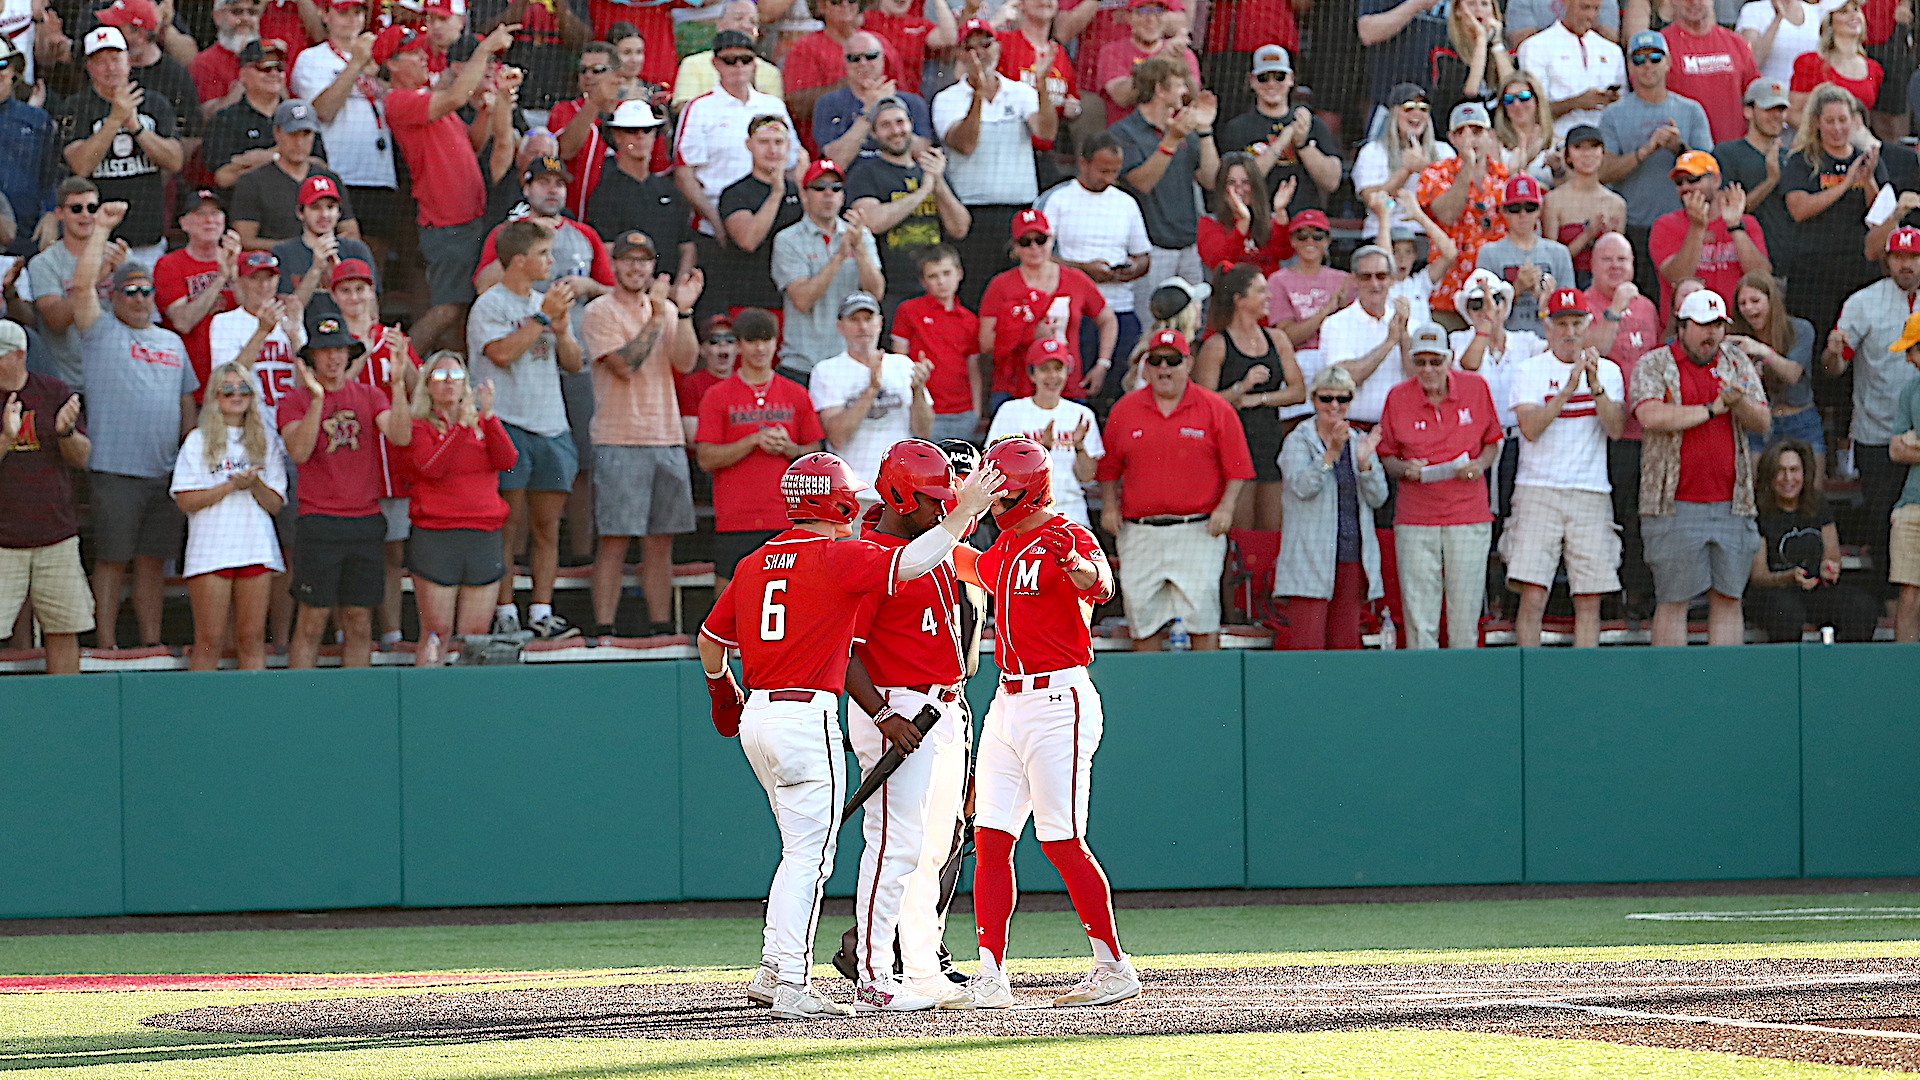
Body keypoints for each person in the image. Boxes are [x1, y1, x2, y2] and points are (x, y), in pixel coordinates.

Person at [699, 451, 1001, 1020]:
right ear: (837, 502)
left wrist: (723, 692)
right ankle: (808, 980)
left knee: (801, 851)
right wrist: (965, 513)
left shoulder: (754, 560)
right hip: (807, 713)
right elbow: (910, 562)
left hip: (758, 711)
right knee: (812, 858)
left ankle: (776, 968)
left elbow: (710, 640)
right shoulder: (839, 555)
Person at [958, 434, 1136, 1008]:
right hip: (1007, 700)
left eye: (998, 490)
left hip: (1060, 698)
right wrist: (928, 532)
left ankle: (1113, 967)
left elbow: (1099, 584)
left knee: (1061, 839)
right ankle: (990, 975)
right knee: (990, 838)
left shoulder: (1067, 533)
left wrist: (1076, 566)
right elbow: (968, 565)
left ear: (1024, 491)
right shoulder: (1006, 544)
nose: (992, 499)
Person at [836, 440, 975, 1013]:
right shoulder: (871, 555)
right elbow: (844, 651)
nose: (942, 508)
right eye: (932, 498)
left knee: (932, 847)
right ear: (898, 497)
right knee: (894, 844)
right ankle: (874, 972)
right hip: (896, 707)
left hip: (939, 706)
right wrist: (882, 714)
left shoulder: (926, 544)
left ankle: (921, 968)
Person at [72, 202, 196, 651]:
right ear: (114, 296)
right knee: (111, 561)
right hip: (114, 472)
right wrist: (101, 229)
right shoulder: (100, 332)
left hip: (163, 473)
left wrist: (187, 458)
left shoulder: (172, 342)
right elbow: (81, 286)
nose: (141, 298)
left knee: (151, 563)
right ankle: (106, 645)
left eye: (146, 291)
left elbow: (187, 403)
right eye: (131, 292)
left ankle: (150, 643)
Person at [1631, 288, 1773, 646]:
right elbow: (1650, 415)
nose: (1712, 334)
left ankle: (1723, 677)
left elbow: (1762, 421)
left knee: (1728, 598)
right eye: (1703, 325)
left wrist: (1738, 404)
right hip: (1673, 502)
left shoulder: (1736, 361)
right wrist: (1711, 409)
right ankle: (1673, 678)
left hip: (1732, 502)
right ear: (1681, 326)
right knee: (1673, 600)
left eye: (1718, 325)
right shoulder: (1654, 363)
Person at [1097, 328, 1253, 650]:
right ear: (1146, 366)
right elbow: (1108, 468)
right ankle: (1152, 682)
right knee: (1142, 619)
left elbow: (1238, 468)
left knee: (1202, 615)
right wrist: (1110, 506)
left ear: (1189, 363)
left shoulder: (1215, 407)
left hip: (1197, 529)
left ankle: (1204, 681)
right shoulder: (1125, 409)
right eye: (1156, 361)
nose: (1164, 368)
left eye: (1173, 360)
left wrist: (1225, 508)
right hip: (1140, 531)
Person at [580, 232, 702, 641]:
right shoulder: (599, 311)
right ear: (614, 265)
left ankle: (660, 629)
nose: (635, 267)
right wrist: (657, 315)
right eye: (628, 259)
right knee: (614, 541)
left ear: (653, 266)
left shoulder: (666, 309)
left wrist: (683, 313)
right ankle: (604, 630)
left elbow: (686, 361)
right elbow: (625, 364)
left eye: (643, 260)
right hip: (618, 438)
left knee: (660, 543)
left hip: (666, 437)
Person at [467, 219, 584, 640]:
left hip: (552, 427)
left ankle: (541, 611)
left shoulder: (545, 303)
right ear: (519, 260)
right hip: (508, 424)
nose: (551, 262)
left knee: (547, 527)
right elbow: (501, 354)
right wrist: (542, 317)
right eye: (543, 254)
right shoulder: (490, 305)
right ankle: (504, 612)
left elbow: (574, 363)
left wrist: (562, 330)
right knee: (508, 526)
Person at [279, 311, 414, 668]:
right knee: (311, 622)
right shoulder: (295, 400)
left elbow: (401, 435)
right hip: (319, 520)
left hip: (365, 520)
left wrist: (397, 383)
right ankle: (299, 698)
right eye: (325, 351)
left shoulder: (369, 395)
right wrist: (318, 400)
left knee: (359, 622)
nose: (334, 357)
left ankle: (358, 698)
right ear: (312, 357)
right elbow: (299, 452)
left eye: (339, 349)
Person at [384, 20, 517, 354]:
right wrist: (484, 49)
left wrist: (486, 113)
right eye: (412, 53)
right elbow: (458, 96)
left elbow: (471, 145)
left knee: (461, 311)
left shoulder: (428, 101)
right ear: (392, 64)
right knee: (448, 308)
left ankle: (450, 373)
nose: (422, 57)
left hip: (467, 217)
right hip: (447, 220)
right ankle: (398, 364)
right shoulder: (398, 100)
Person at [1504, 288, 1626, 647]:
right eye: (1562, 324)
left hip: (1590, 491)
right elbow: (1530, 428)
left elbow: (1616, 429)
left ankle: (1585, 674)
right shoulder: (1529, 370)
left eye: (1576, 323)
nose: (1570, 332)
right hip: (1537, 490)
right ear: (1548, 327)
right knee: (1533, 594)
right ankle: (1529, 675)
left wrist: (1595, 386)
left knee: (1589, 598)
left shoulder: (1609, 371)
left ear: (1588, 324)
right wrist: (1568, 388)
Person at [1374, 323, 1504, 648]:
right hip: (1416, 518)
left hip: (1468, 515)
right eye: (1420, 362)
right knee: (1420, 622)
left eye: (1436, 361)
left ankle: (1463, 681)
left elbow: (1493, 441)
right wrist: (1406, 469)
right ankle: (1424, 681)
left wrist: (1480, 465)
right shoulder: (1398, 396)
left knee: (1465, 618)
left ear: (1450, 358)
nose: (1428, 369)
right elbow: (1386, 455)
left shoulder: (1476, 387)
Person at [693, 306, 824, 593]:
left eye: (766, 340)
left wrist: (789, 448)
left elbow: (816, 453)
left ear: (776, 343)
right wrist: (752, 441)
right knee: (729, 600)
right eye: (752, 341)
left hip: (786, 517)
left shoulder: (796, 393)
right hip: (735, 519)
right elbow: (705, 458)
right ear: (739, 345)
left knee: (790, 598)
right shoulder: (717, 396)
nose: (760, 348)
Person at [171, 360, 288, 672]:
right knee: (209, 640)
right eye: (228, 390)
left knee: (251, 638)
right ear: (215, 396)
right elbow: (184, 500)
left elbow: (275, 503)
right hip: (211, 549)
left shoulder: (265, 440)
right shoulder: (197, 440)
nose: (237, 395)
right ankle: (203, 703)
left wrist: (254, 484)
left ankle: (254, 701)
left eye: (244, 389)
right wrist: (229, 486)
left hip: (256, 546)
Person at [932, 20, 1055, 311]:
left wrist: (1042, 86)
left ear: (998, 48)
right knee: (976, 301)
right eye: (971, 47)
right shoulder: (947, 99)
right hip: (973, 216)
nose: (979, 53)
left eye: (986, 44)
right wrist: (977, 94)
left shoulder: (1021, 92)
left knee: (1021, 301)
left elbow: (1046, 132)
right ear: (960, 54)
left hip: (1019, 212)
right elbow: (965, 144)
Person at [1827, 229, 1920, 607]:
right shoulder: (1863, 302)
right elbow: (1834, 368)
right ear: (1887, 259)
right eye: (1898, 257)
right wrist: (1833, 353)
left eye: (1913, 257)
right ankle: (1892, 607)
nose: (1905, 264)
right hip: (1878, 432)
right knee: (1884, 522)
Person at [406, 351, 517, 665]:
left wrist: (489, 417)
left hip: (482, 534)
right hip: (437, 536)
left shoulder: (481, 423)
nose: (448, 383)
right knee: (436, 631)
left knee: (475, 635)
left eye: (455, 376)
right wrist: (459, 429)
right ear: (427, 385)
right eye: (440, 377)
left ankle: (468, 695)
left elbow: (507, 460)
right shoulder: (420, 426)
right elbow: (431, 467)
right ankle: (426, 689)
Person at [0, 318, 92, 674]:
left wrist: (66, 432)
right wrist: (6, 438)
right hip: (3, 541)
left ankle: (68, 702)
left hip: (56, 535)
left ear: (19, 355)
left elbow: (82, 457)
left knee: (64, 628)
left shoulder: (53, 391)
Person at [1274, 365, 1388, 649]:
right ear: (1313, 400)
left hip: (1350, 553)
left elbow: (1379, 498)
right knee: (1308, 643)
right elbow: (1302, 488)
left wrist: (1365, 465)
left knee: (1345, 642)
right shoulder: (1297, 441)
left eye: (1342, 398)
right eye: (1326, 398)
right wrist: (1330, 455)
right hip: (1309, 557)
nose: (1334, 405)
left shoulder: (1359, 440)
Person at [1575, 232, 1660, 613]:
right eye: (1607, 259)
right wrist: (1614, 310)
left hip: (1645, 432)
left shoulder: (1647, 308)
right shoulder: (1584, 304)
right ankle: (1606, 597)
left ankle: (1638, 596)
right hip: (1600, 433)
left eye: (1622, 260)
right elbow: (1591, 351)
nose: (1615, 267)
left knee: (1641, 517)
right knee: (1607, 517)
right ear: (1592, 265)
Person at [1600, 31, 1714, 301]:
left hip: (1683, 224)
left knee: (1685, 299)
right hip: (1635, 226)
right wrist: (1645, 151)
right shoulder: (1613, 115)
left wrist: (1680, 149)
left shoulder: (1692, 110)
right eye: (1639, 60)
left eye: (1654, 57)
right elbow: (1603, 172)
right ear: (1629, 67)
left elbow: (1709, 172)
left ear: (1668, 62)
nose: (1647, 65)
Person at [58, 25, 182, 269]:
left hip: (147, 240)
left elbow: (175, 161)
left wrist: (136, 128)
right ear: (89, 67)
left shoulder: (155, 103)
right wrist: (115, 119)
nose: (110, 67)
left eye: (115, 59)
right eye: (101, 61)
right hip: (95, 241)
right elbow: (81, 165)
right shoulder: (76, 107)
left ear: (128, 62)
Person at [1193, 263, 1305, 531]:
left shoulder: (1277, 339)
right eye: (1261, 291)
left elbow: (1298, 391)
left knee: (1272, 528)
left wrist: (1259, 398)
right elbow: (1203, 404)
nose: (1269, 297)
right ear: (1239, 300)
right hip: (1232, 445)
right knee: (1241, 530)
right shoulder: (1217, 345)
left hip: (1269, 442)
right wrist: (1240, 388)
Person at [1784, 83, 1894, 351]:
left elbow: (1880, 218)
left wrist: (1868, 180)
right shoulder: (1803, 161)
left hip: (1859, 272)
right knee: (1818, 348)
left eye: (1843, 120)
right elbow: (1799, 209)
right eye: (1830, 121)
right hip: (1813, 275)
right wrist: (1845, 184)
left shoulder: (1868, 161)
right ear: (1817, 122)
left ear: (1854, 121)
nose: (1837, 128)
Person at [291, 0, 398, 269]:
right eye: (343, 13)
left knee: (374, 259)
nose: (352, 19)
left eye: (358, 12)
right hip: (339, 173)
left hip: (380, 173)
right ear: (325, 15)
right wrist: (356, 64)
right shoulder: (312, 58)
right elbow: (322, 112)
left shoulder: (379, 59)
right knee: (339, 257)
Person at [1110, 56, 1217, 320]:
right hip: (1151, 250)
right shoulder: (1124, 133)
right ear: (1160, 89)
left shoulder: (1184, 130)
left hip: (1190, 246)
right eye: (1179, 85)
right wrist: (1171, 141)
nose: (1185, 91)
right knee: (1151, 327)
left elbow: (1211, 180)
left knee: (1192, 326)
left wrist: (1204, 131)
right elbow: (1142, 183)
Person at [672, 30, 799, 252]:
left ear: (755, 64)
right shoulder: (699, 108)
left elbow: (794, 161)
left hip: (776, 220)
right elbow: (684, 174)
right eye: (730, 60)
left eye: (746, 59)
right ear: (715, 64)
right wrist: (716, 222)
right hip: (716, 224)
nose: (739, 66)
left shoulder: (773, 105)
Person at [1041, 132, 1148, 396]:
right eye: (1102, 171)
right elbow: (1038, 255)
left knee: (1122, 389)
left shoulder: (1126, 203)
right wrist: (1084, 270)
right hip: (1076, 313)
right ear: (1083, 163)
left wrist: (1132, 270)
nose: (1109, 178)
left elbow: (1143, 256)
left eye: (1114, 172)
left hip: (1120, 306)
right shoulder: (1058, 200)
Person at [1745, 436, 1880, 639]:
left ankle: (1846, 660)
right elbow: (1759, 575)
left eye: (1794, 470)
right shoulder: (1759, 511)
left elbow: (1832, 555)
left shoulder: (1818, 504)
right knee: (1787, 613)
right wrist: (1789, 576)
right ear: (1769, 474)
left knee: (1861, 608)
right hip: (1772, 591)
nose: (1788, 478)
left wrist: (1829, 567)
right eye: (1780, 470)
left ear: (1804, 473)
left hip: (1815, 589)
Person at [979, 209, 1112, 411]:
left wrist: (1102, 364)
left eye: (1040, 240)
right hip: (1015, 388)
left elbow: (1107, 319)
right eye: (1025, 242)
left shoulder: (1076, 279)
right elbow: (986, 342)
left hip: (1066, 386)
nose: (1034, 247)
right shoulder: (1000, 285)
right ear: (1015, 246)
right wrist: (1028, 334)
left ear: (1051, 240)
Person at [844, 99, 970, 313]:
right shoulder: (865, 173)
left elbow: (959, 228)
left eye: (900, 122)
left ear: (911, 124)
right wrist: (922, 192)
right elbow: (872, 222)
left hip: (935, 289)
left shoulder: (930, 170)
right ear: (874, 133)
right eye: (885, 125)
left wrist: (938, 183)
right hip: (892, 290)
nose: (895, 131)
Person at [773, 159, 887, 378]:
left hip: (851, 363)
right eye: (819, 187)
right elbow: (802, 300)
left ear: (842, 196)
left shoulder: (860, 235)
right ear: (804, 195)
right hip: (804, 364)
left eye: (835, 188)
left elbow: (876, 293)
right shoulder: (787, 239)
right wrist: (839, 257)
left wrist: (859, 249)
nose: (828, 194)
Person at [809, 292, 933, 485]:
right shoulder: (826, 371)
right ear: (840, 327)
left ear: (880, 323)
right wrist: (872, 390)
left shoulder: (903, 365)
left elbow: (924, 430)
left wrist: (918, 391)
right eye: (854, 320)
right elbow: (837, 437)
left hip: (900, 485)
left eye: (868, 319)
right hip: (851, 486)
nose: (863, 327)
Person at [987, 340, 1104, 528]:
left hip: (1072, 514)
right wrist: (1042, 450)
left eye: (1058, 369)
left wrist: (1080, 447)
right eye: (1044, 369)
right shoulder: (1011, 411)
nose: (1052, 376)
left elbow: (1087, 476)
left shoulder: (1081, 415)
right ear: (1032, 374)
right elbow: (994, 469)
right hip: (1024, 515)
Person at [1214, 45, 1339, 218]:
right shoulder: (1237, 128)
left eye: (1279, 77)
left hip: (1302, 222)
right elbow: (1237, 186)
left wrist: (1302, 145)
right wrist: (1281, 142)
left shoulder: (1311, 123)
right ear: (1252, 81)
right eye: (1263, 78)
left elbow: (1332, 182)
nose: (1271, 84)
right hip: (1256, 222)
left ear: (1291, 78)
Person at [1650, 151, 1772, 326]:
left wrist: (1735, 226)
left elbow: (1762, 277)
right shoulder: (1665, 225)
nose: (1685, 187)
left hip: (1737, 324)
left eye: (1693, 179)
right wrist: (1697, 227)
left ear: (1715, 180)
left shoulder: (1746, 223)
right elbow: (1677, 278)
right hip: (1688, 327)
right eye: (1679, 182)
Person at [1418, 102, 1512, 324]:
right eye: (1462, 132)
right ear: (1452, 138)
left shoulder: (1506, 176)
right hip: (1448, 294)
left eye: (1477, 131)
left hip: (1494, 294)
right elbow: (1447, 214)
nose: (1470, 139)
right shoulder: (1435, 172)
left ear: (1490, 135)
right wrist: (1467, 166)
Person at [710, 114, 805, 327]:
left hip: (795, 304)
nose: (772, 150)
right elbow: (748, 240)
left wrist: (803, 187)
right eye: (763, 142)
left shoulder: (799, 190)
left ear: (789, 146)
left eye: (778, 142)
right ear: (749, 145)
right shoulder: (735, 193)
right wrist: (776, 192)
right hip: (750, 303)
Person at [584, 99, 692, 281]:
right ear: (617, 136)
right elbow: (608, 251)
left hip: (674, 290)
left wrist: (678, 286)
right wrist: (652, 286)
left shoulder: (670, 190)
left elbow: (686, 245)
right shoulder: (605, 194)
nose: (640, 137)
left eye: (647, 130)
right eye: (632, 131)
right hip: (630, 289)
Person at [783, 0, 907, 154]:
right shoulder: (805, 47)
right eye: (836, 1)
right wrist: (848, 86)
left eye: (852, 0)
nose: (845, 5)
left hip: (886, 147)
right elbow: (796, 105)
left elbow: (903, 91)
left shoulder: (878, 42)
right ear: (821, 6)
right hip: (831, 146)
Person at [1266, 209, 1351, 429]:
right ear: (1292, 241)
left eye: (1317, 236)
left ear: (1328, 240)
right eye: (1301, 236)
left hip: (1335, 360)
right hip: (1298, 363)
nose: (1310, 242)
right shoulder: (1278, 280)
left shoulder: (1344, 280)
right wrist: (1326, 311)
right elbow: (1288, 336)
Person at [890, 245, 981, 443]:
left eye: (946, 273)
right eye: (933, 276)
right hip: (924, 411)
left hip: (963, 413)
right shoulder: (908, 311)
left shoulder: (970, 320)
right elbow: (899, 362)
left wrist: (977, 411)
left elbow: (973, 368)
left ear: (959, 274)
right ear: (923, 282)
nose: (941, 281)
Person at [1731, 270, 1821, 463]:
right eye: (1742, 303)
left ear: (1772, 301)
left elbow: (1792, 374)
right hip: (1757, 422)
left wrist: (1762, 351)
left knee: (1811, 479)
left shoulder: (1800, 329)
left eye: (1755, 301)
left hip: (1800, 421)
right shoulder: (1737, 337)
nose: (1748, 308)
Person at [1711, 78, 1797, 279]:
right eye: (1768, 109)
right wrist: (1770, 181)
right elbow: (1728, 212)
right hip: (1743, 265)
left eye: (1781, 109)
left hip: (1789, 266)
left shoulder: (1791, 157)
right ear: (1748, 111)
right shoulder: (1727, 154)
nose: (1776, 116)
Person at [1470, 174, 1577, 334]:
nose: (1523, 214)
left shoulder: (1559, 253)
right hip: (1505, 338)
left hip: (1547, 339)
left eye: (1530, 207)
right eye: (1515, 209)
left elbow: (1569, 309)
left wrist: (1542, 296)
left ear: (1539, 210)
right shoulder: (1489, 254)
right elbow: (1482, 310)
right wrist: (1516, 288)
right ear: (1504, 211)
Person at [813, 32, 935, 169]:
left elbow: (922, 153)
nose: (863, 63)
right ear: (845, 62)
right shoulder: (828, 103)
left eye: (871, 56)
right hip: (853, 179)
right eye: (854, 58)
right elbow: (837, 162)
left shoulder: (912, 102)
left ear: (882, 59)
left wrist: (888, 105)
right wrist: (868, 111)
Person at [1352, 84, 1456, 244]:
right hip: (1384, 233)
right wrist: (1406, 171)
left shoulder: (1444, 151)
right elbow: (1371, 199)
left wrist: (1427, 170)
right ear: (1394, 113)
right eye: (1409, 107)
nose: (1417, 113)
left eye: (1423, 108)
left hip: (1430, 236)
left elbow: (1453, 203)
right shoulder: (1373, 151)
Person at [1320, 246, 1413, 425]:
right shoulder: (1335, 324)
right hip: (1354, 426)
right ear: (1354, 280)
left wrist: (1404, 337)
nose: (1374, 284)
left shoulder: (1410, 322)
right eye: (1366, 277)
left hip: (1401, 426)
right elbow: (1344, 379)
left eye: (1381, 276)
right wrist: (1389, 343)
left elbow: (1417, 377)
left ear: (1392, 280)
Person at [1649, 0, 1762, 143]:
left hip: (1730, 149)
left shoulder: (1737, 44)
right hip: (1682, 149)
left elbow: (1756, 97)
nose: (1694, 2)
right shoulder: (1660, 46)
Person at [270, 174, 377, 318]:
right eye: (315, 207)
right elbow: (286, 315)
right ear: (300, 212)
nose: (325, 214)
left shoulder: (357, 250)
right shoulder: (283, 252)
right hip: (303, 331)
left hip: (347, 331)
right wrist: (315, 269)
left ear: (339, 212)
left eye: (330, 207)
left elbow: (373, 315)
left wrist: (342, 273)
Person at [1516, 0, 1626, 138]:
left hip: (1603, 141)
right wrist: (1576, 103)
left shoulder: (1612, 51)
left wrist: (1612, 100)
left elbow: (1623, 106)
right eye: (1584, 7)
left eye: (1596, 9)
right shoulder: (1535, 47)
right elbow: (1531, 111)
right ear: (1566, 3)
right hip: (1556, 140)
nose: (1590, 15)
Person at [204, 40, 299, 190]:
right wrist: (288, 158)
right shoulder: (225, 120)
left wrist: (265, 158)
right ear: (243, 74)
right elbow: (223, 176)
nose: (274, 73)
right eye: (265, 67)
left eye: (279, 67)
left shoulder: (297, 115)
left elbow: (319, 165)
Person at [545, 41, 623, 220]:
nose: (588, 75)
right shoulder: (564, 110)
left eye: (597, 70)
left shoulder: (632, 113)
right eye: (583, 70)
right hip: (575, 219)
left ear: (617, 75)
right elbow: (565, 151)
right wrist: (593, 103)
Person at [1544, 124, 1627, 288]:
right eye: (1578, 147)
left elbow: (1619, 263)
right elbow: (1552, 262)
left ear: (1603, 153)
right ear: (1568, 156)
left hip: (1604, 288)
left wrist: (1608, 239)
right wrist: (1587, 235)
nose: (1587, 154)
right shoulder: (1553, 201)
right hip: (1566, 287)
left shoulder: (1617, 204)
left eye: (1594, 146)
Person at [1196, 149, 1294, 279]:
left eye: (1245, 182)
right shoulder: (1209, 222)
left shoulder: (1271, 221)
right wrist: (1243, 222)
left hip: (1267, 289)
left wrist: (1280, 212)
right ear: (1222, 189)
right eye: (1231, 183)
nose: (1239, 189)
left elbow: (1285, 253)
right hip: (1229, 290)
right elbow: (1216, 262)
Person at [671, 1, 782, 109]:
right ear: (720, 25)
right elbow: (685, 109)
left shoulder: (771, 72)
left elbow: (774, 115)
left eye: (753, 22)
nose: (746, 25)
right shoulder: (693, 64)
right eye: (738, 19)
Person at [0, 44, 55, 260]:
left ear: (13, 70)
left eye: (2, 65)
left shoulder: (37, 119)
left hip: (31, 241)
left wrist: (51, 213)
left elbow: (52, 177)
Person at [1790, 0, 1881, 112]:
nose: (1853, 16)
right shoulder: (1810, 63)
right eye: (1844, 12)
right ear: (1829, 22)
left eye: (1856, 10)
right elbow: (1793, 113)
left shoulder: (1874, 69)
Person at [1434, 0, 1517, 121]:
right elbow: (1471, 91)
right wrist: (1481, 38)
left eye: (1484, 4)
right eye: (1471, 4)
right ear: (1458, 11)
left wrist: (1497, 42)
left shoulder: (1505, 50)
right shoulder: (1445, 51)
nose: (1478, 9)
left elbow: (1513, 88)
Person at [1890, 311, 1920, 640]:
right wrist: (1906, 444)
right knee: (1908, 595)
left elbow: (1905, 446)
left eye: (1911, 350)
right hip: (1911, 504)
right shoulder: (1910, 390)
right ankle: (1907, 666)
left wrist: (1914, 443)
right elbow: (1896, 450)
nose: (1908, 359)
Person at [1738, 0, 1841, 86]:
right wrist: (1778, 18)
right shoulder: (1752, 10)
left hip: (1803, 96)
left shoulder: (1815, 12)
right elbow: (1753, 60)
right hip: (1768, 96)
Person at [191, 0, 265, 111]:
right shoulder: (204, 62)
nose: (245, 18)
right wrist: (247, 74)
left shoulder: (271, 54)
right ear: (217, 17)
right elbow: (208, 116)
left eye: (252, 12)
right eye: (237, 11)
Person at [1493, 71, 1561, 183]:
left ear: (1537, 100)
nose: (1516, 104)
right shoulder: (1494, 144)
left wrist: (1558, 171)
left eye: (1524, 96)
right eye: (1509, 99)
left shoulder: (1557, 144)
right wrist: (1528, 158)